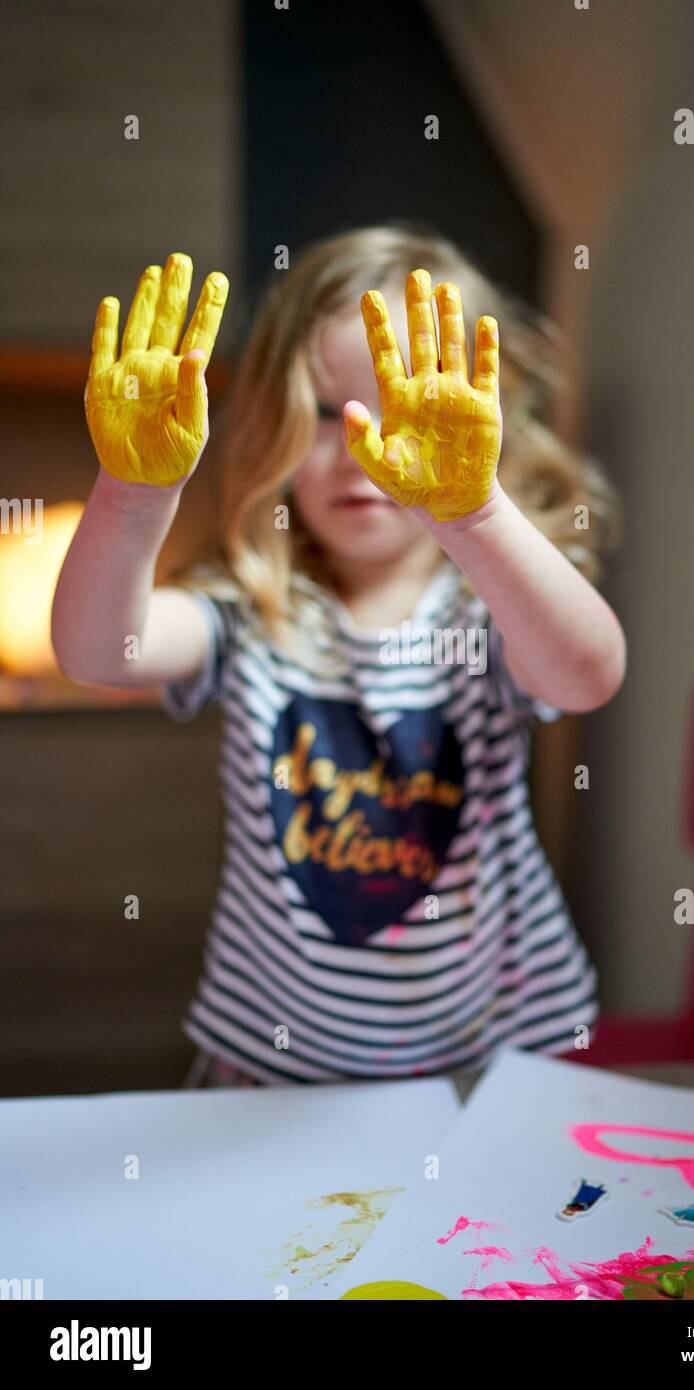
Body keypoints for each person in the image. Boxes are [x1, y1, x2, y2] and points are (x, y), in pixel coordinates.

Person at [52, 224, 625, 1085]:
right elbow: (97, 651)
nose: (363, 446)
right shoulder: (249, 610)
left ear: (485, 416)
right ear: (272, 421)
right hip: (272, 1066)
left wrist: (472, 518)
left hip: (492, 1056)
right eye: (325, 413)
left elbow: (587, 676)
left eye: (405, 409)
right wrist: (133, 494)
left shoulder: (492, 602)